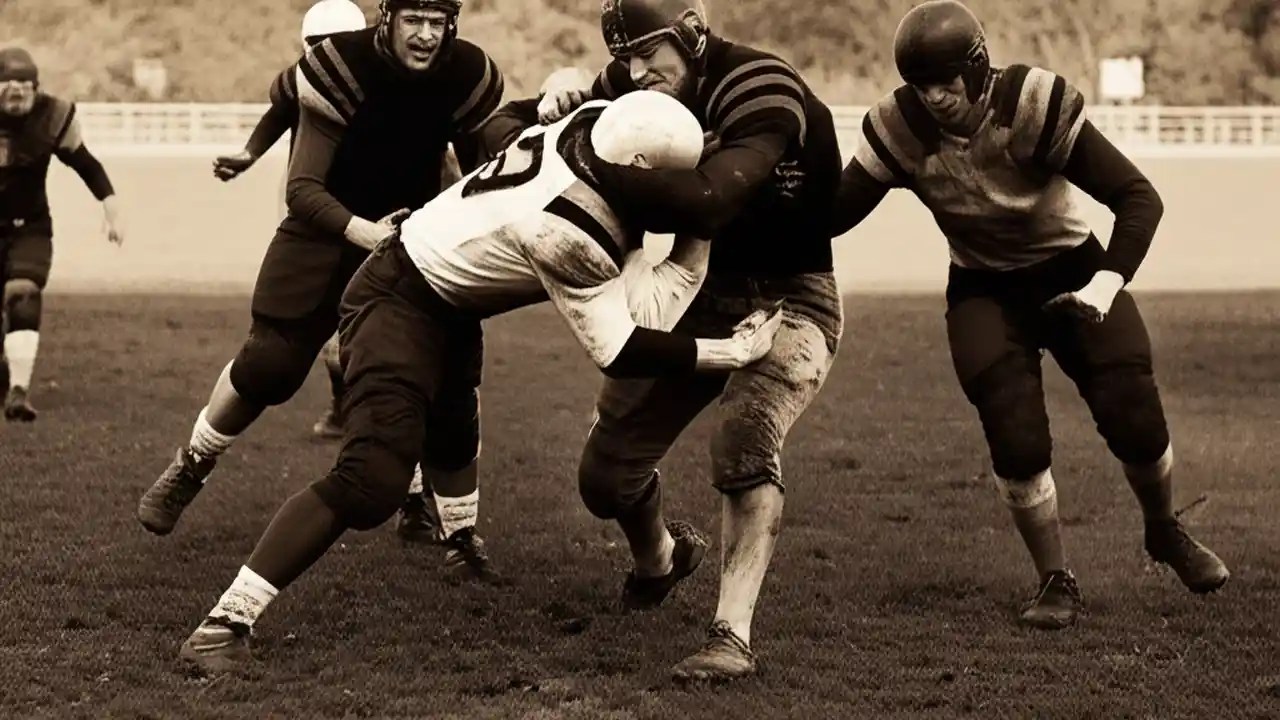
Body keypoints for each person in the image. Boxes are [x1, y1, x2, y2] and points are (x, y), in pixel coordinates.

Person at [175, 91, 786, 675]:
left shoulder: (597, 123)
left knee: (452, 428)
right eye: (672, 183)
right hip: (398, 295)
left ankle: (466, 546)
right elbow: (628, 343)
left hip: (446, 293)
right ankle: (223, 627)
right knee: (372, 477)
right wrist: (724, 341)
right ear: (639, 169)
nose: (683, 194)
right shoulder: (569, 230)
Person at [828, 0, 1229, 630]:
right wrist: (764, 194)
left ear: (978, 68)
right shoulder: (899, 125)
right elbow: (833, 215)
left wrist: (1106, 282)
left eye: (944, 81)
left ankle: (1163, 529)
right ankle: (1055, 578)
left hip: (1073, 271)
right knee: (1016, 438)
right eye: (920, 84)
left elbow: (1136, 196)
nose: (933, 97)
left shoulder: (1033, 106)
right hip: (984, 287)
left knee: (1137, 421)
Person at [136, 0, 507, 580]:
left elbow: (484, 166)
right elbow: (303, 189)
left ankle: (459, 534)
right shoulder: (341, 65)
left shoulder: (467, 73)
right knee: (270, 367)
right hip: (327, 233)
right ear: (387, 19)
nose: (426, 36)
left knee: (446, 385)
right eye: (415, 21)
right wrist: (367, 231)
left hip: (409, 239)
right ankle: (192, 464)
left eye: (438, 24)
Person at [533, 0, 844, 682]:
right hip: (693, 293)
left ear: (693, 33)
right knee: (604, 478)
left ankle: (731, 634)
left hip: (787, 295)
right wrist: (554, 105)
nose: (638, 71)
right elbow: (512, 134)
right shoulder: (633, 86)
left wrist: (592, 154)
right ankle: (662, 560)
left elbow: (710, 200)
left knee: (743, 442)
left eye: (650, 51)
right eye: (626, 58)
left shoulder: (758, 83)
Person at [0, 47, 124, 422]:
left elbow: (85, 162)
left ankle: (19, 392)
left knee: (23, 293)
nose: (18, 91)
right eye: (9, 84)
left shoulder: (52, 116)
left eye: (25, 84)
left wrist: (111, 206)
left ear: (37, 89)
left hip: (29, 226)